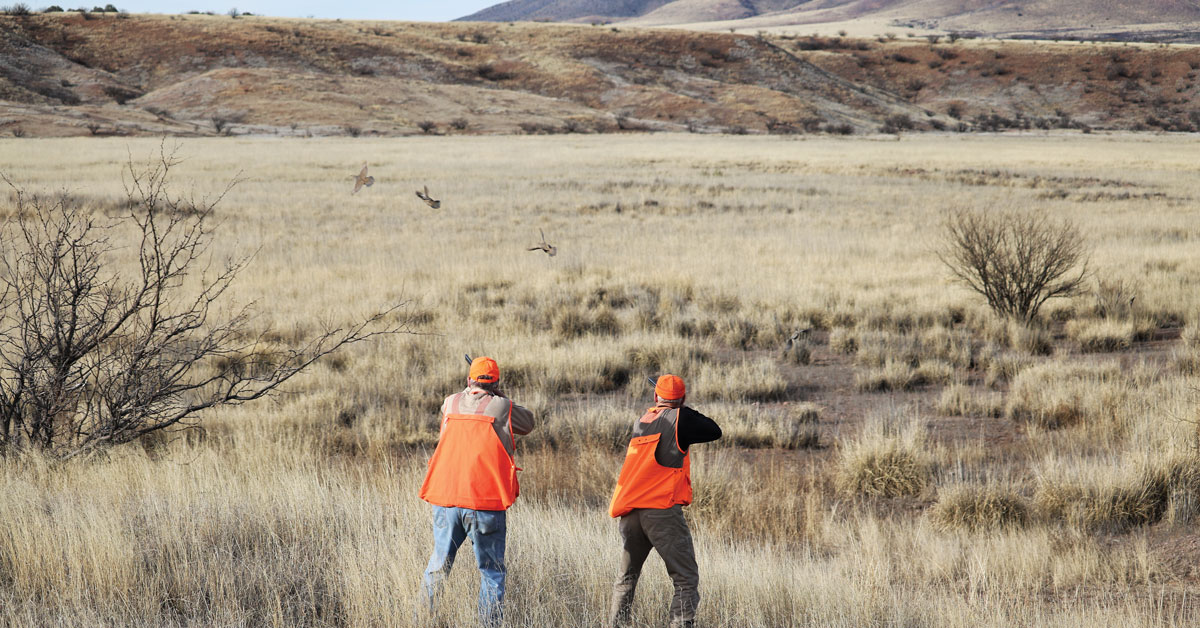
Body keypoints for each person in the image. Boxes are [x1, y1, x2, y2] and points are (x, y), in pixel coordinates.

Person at [419, 356, 534, 627]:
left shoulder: (450, 402)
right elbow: (528, 423)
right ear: (496, 382)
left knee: (438, 568)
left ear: (468, 380)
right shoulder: (501, 405)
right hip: (484, 502)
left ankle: (422, 620)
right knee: (491, 574)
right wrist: (501, 394)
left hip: (446, 499)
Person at [608, 374, 722, 628]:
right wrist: (681, 407)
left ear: (655, 397)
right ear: (683, 398)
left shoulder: (643, 420)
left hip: (630, 512)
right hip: (660, 511)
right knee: (685, 578)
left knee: (626, 577)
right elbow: (714, 430)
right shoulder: (682, 419)